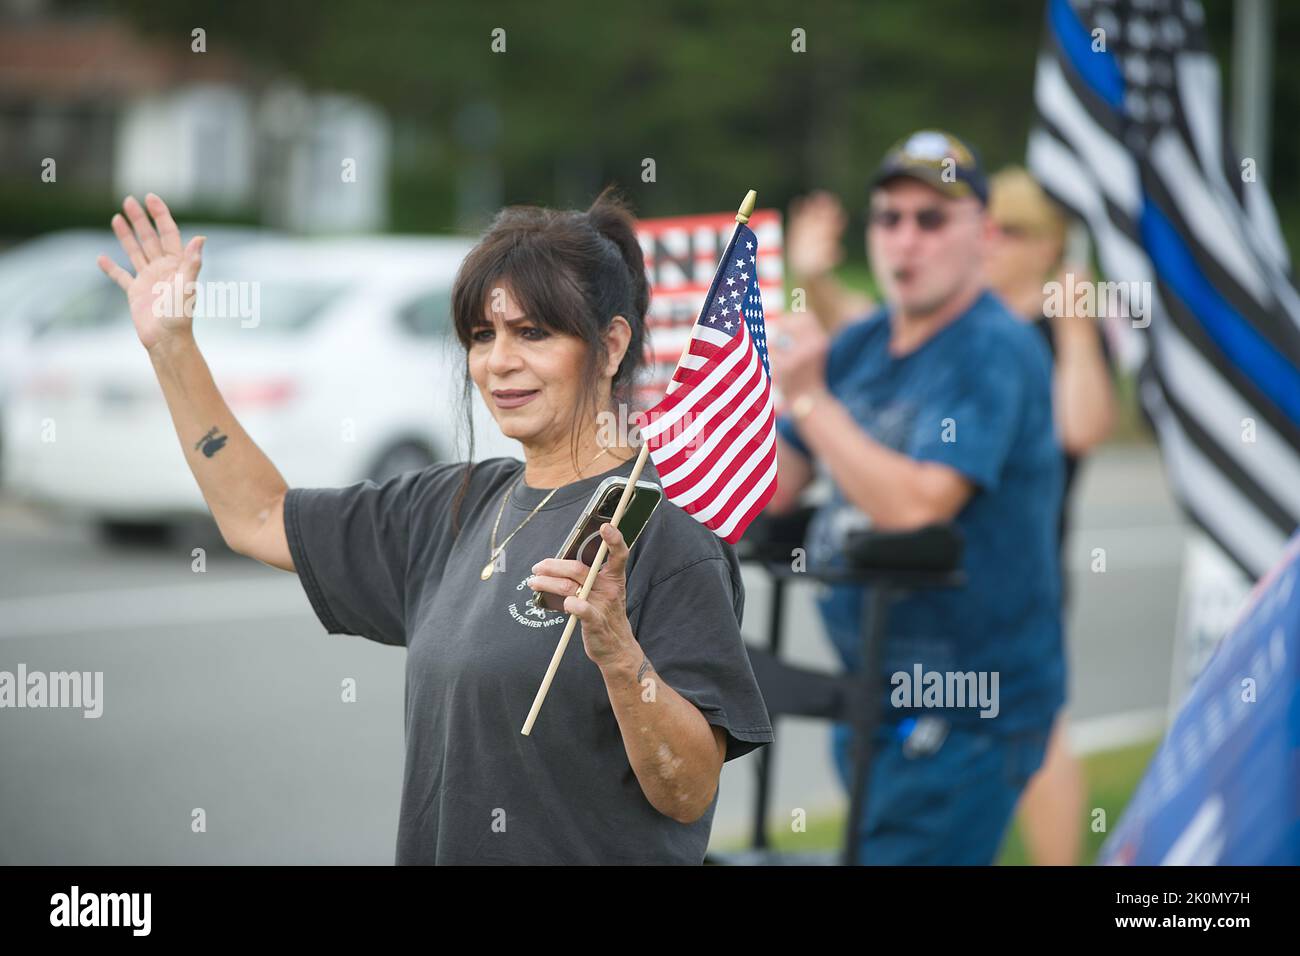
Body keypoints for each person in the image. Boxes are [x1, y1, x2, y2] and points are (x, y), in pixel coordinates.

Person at [97, 188, 773, 865]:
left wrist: (620, 653)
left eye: (533, 332)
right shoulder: (450, 505)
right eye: (483, 335)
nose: (498, 361)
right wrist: (171, 347)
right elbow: (260, 516)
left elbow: (687, 791)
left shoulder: (666, 538)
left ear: (611, 344)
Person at [767, 130, 1064, 864]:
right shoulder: (864, 344)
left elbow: (920, 505)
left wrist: (810, 403)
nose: (907, 240)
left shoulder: (994, 347)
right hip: (871, 689)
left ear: (984, 235)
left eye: (932, 220)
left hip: (969, 706)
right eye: (889, 219)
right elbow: (770, 492)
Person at [984, 166, 1116, 866]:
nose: (992, 242)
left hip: (1026, 557)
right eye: (985, 227)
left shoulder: (1061, 320)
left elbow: (1086, 427)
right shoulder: (967, 315)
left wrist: (1075, 330)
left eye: (1012, 230)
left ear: (1050, 242)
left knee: (1037, 729)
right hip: (947, 556)